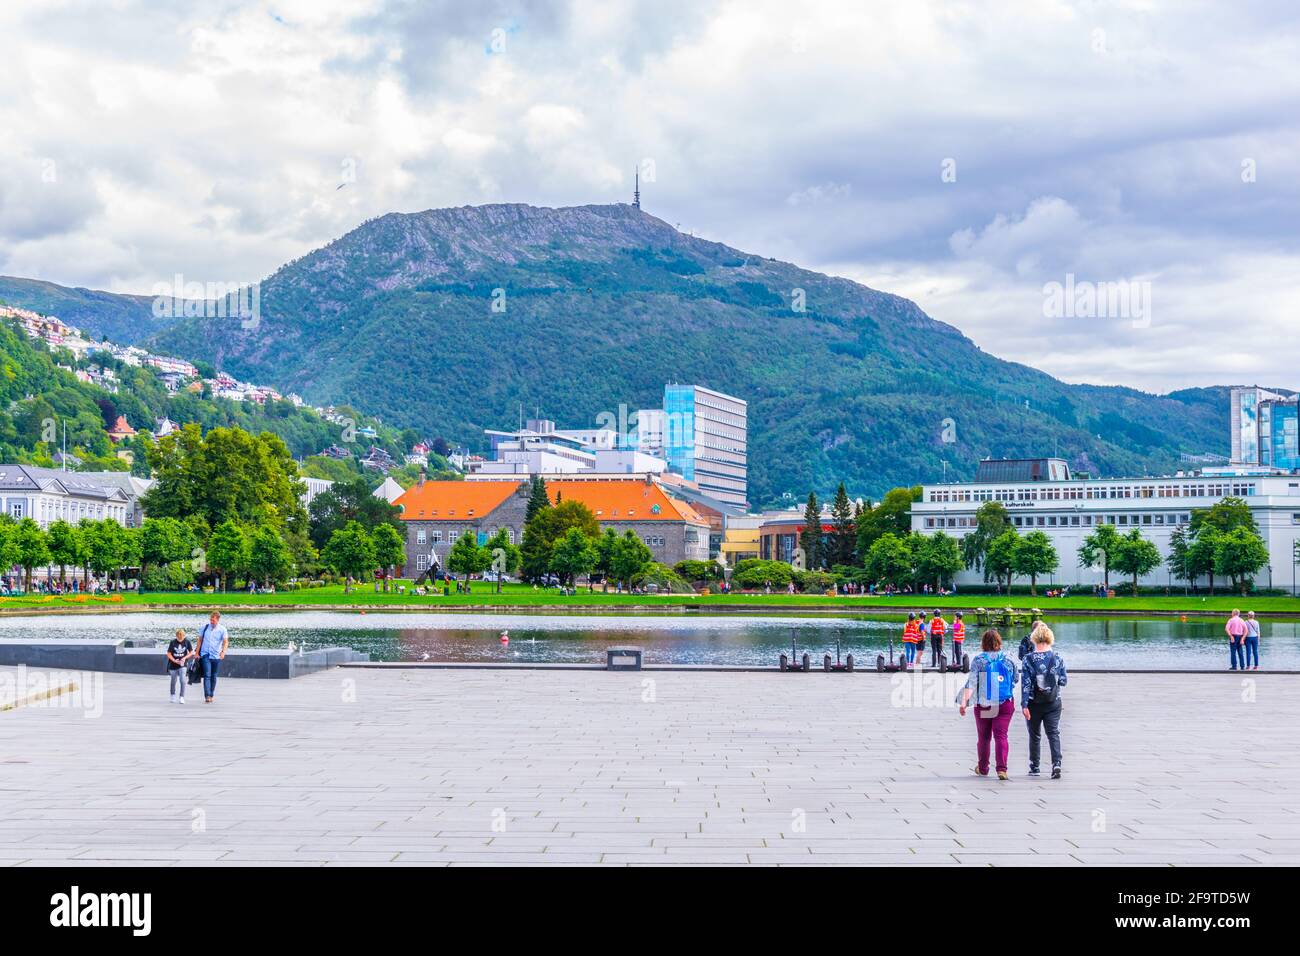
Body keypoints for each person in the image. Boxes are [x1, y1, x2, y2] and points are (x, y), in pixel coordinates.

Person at [956, 629, 1019, 779]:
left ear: (983, 643)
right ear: (999, 642)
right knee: (1001, 736)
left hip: (984, 704)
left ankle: (983, 768)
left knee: (984, 737)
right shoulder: (1009, 658)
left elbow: (971, 683)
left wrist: (964, 703)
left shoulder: (979, 660)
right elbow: (1015, 679)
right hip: (1004, 703)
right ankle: (1002, 769)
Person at [1020, 623, 1067, 779]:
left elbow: (1026, 684)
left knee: (1034, 735)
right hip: (1053, 702)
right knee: (1053, 733)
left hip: (1034, 703)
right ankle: (1057, 764)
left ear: (1034, 639)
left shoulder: (1028, 659)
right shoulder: (1057, 658)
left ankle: (1035, 766)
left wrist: (1024, 704)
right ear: (1050, 638)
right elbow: (1063, 681)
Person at [197, 610, 229, 704]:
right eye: (210, 619)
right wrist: (197, 653)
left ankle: (211, 694)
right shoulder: (205, 627)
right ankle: (207, 695)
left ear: (218, 620)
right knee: (207, 675)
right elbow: (199, 640)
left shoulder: (222, 629)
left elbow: (225, 642)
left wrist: (223, 652)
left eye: (213, 620)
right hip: (205, 654)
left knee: (213, 676)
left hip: (216, 655)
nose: (211, 622)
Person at [166, 628, 194, 704]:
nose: (180, 639)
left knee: (182, 680)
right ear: (176, 636)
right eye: (178, 638)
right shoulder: (172, 642)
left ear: (184, 636)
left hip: (182, 664)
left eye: (182, 638)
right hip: (173, 664)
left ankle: (182, 696)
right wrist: (174, 660)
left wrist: (184, 658)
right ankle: (172, 694)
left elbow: (191, 652)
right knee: (173, 681)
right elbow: (168, 653)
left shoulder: (187, 641)